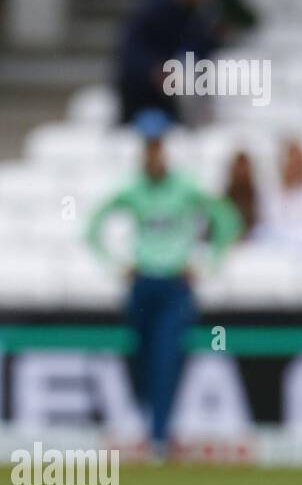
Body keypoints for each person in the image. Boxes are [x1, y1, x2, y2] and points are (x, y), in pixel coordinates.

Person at [85, 109, 241, 461]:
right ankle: (148, 425)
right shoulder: (131, 189)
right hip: (141, 284)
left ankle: (159, 437)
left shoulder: (185, 187)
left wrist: (206, 263)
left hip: (174, 285)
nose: (153, 155)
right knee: (140, 359)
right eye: (148, 148)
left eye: (158, 148)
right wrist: (115, 265)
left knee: (167, 359)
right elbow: (93, 228)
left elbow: (226, 220)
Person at [115, 0, 224, 126]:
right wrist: (153, 69)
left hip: (169, 88)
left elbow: (197, 49)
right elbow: (131, 48)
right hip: (140, 88)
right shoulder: (155, 7)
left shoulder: (197, 14)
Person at [250, 138, 302, 252]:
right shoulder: (272, 191)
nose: (293, 167)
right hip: (278, 248)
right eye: (289, 162)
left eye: (297, 162)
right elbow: (271, 221)